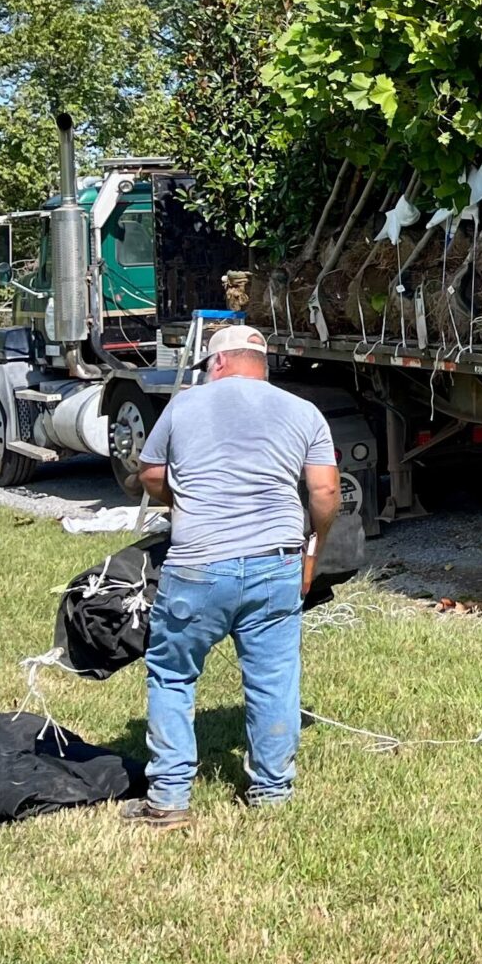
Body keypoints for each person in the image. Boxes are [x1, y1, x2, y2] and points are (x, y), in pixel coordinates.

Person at [116, 324, 342, 828]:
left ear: (216, 364)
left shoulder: (185, 405)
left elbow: (151, 475)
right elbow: (325, 493)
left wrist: (181, 501)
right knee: (274, 677)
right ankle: (271, 792)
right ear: (261, 365)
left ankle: (170, 799)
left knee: (173, 674)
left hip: (198, 564)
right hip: (277, 563)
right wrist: (313, 553)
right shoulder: (304, 412)